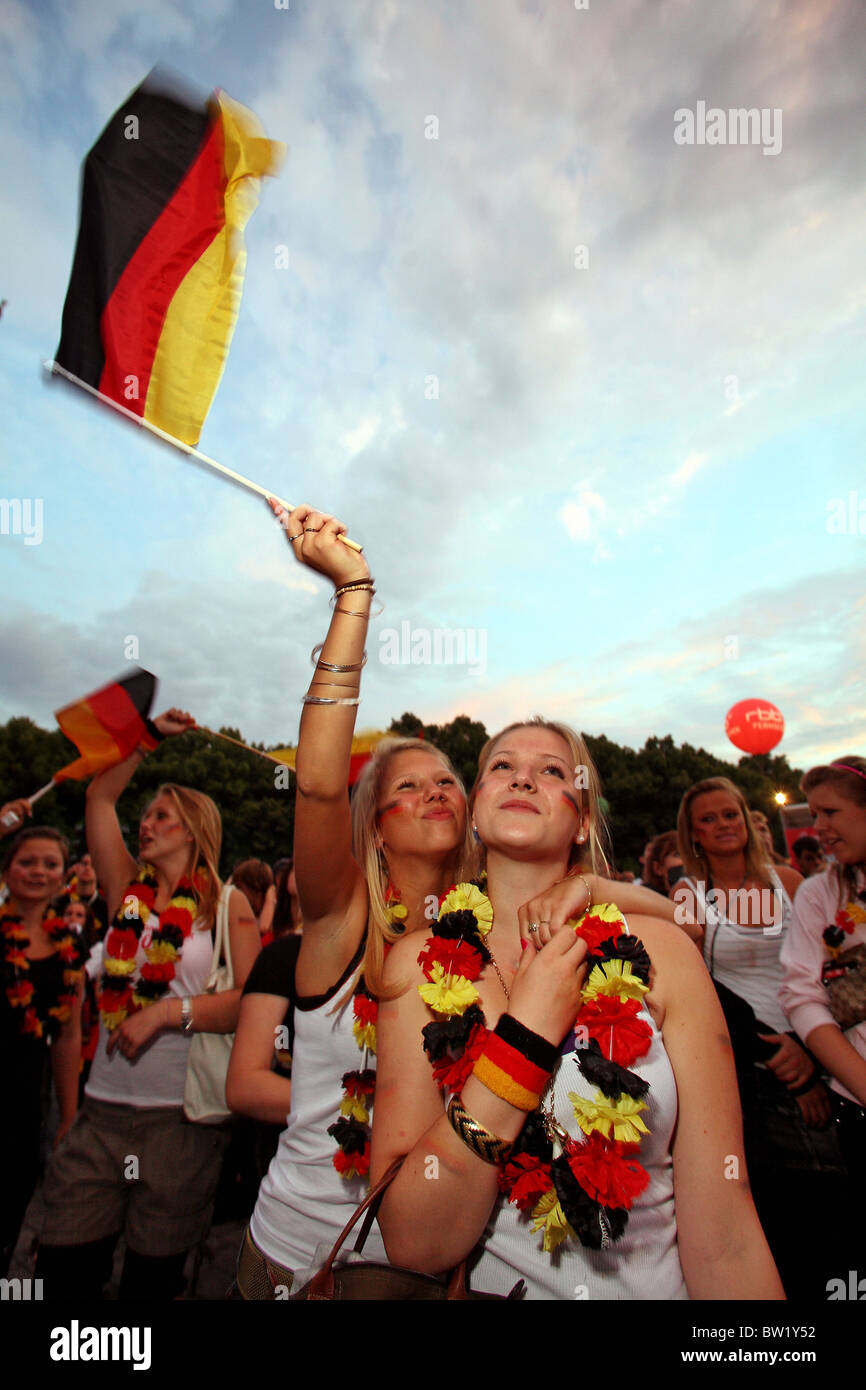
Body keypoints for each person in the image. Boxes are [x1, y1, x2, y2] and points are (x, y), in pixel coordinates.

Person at [230, 502, 686, 1297]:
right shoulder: (346, 923)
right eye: (408, 786)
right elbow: (314, 784)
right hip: (316, 1251)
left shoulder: (489, 934)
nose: (437, 789)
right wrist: (354, 599)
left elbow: (678, 920)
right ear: (371, 827)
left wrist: (591, 882)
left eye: (449, 777)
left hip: (453, 1263)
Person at [371, 720, 783, 1299]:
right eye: (501, 767)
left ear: (583, 819)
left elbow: (726, 1230)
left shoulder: (661, 952)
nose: (523, 778)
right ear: (476, 807)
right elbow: (413, 1242)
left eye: (553, 772)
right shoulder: (419, 964)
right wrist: (527, 1039)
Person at [35, 710, 260, 1301]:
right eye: (147, 815)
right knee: (63, 1266)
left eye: (161, 815)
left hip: (179, 1123)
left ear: (191, 829)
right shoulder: (121, 887)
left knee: (151, 1284)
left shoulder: (227, 903)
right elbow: (100, 797)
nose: (146, 824)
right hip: (101, 1113)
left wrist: (166, 1013)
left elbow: (252, 1004)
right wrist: (149, 737)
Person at [673, 777, 843, 1297]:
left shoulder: (790, 880)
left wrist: (816, 1052)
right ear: (693, 834)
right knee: (790, 1200)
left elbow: (826, 971)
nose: (723, 825)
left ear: (747, 820)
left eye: (731, 814)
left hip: (823, 1047)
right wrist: (779, 1057)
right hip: (753, 1061)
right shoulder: (689, 893)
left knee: (838, 1192)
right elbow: (695, 986)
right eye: (709, 819)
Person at [779, 756, 866, 1264]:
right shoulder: (819, 894)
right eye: (815, 814)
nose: (819, 829)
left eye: (830, 812)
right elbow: (802, 996)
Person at [1, 827, 86, 1275]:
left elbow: (68, 1039)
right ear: (7, 869)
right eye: (26, 861)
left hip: (23, 1112)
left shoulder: (70, 955)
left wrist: (68, 1115)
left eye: (50, 864)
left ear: (63, 876)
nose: (37, 872)